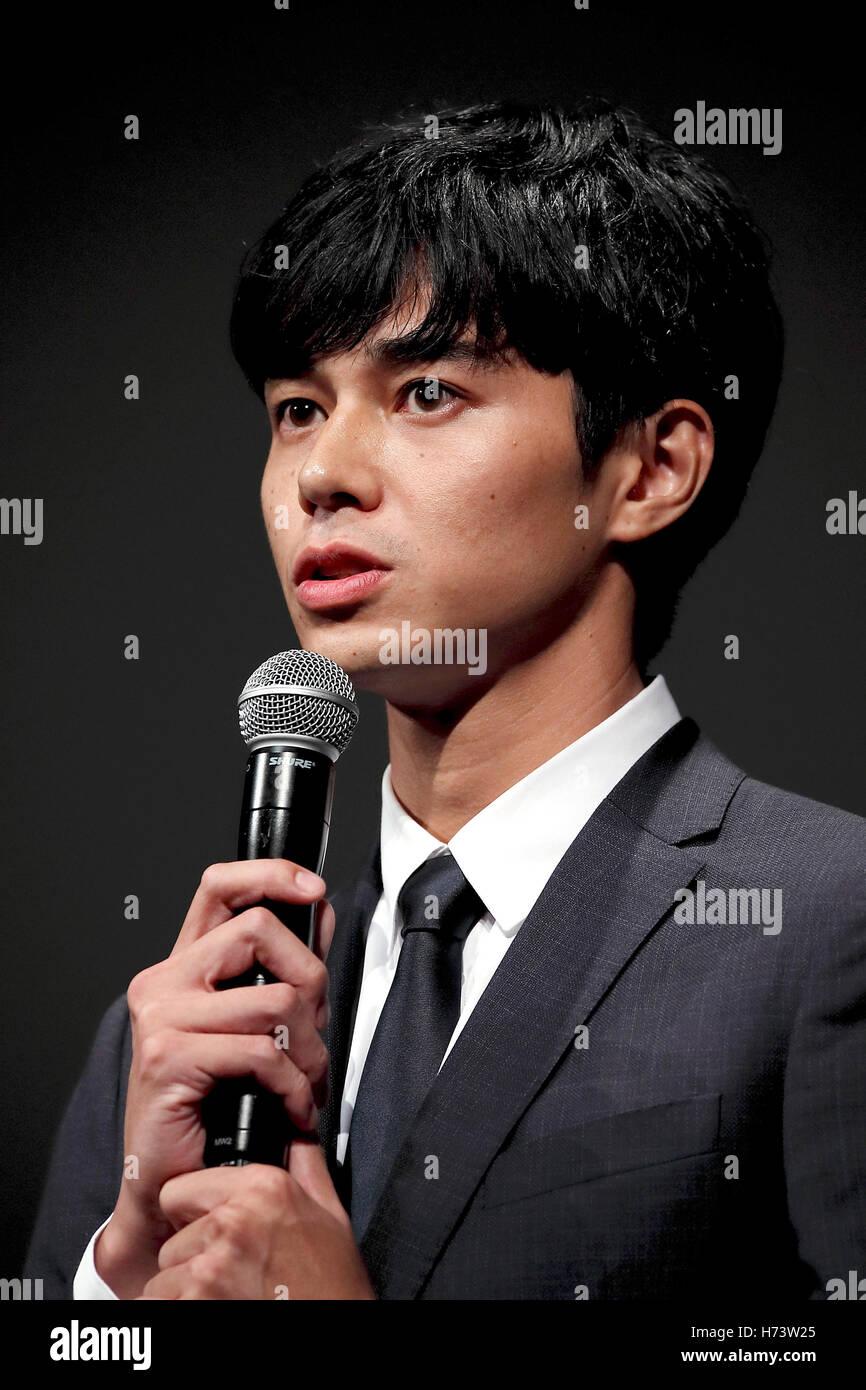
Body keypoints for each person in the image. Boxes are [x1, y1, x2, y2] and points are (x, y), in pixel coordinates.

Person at [26, 99, 866, 1300]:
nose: (320, 473)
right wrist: (123, 1277)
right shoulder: (184, 1025)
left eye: (423, 391)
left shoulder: (826, 927)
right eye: (296, 409)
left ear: (650, 467)